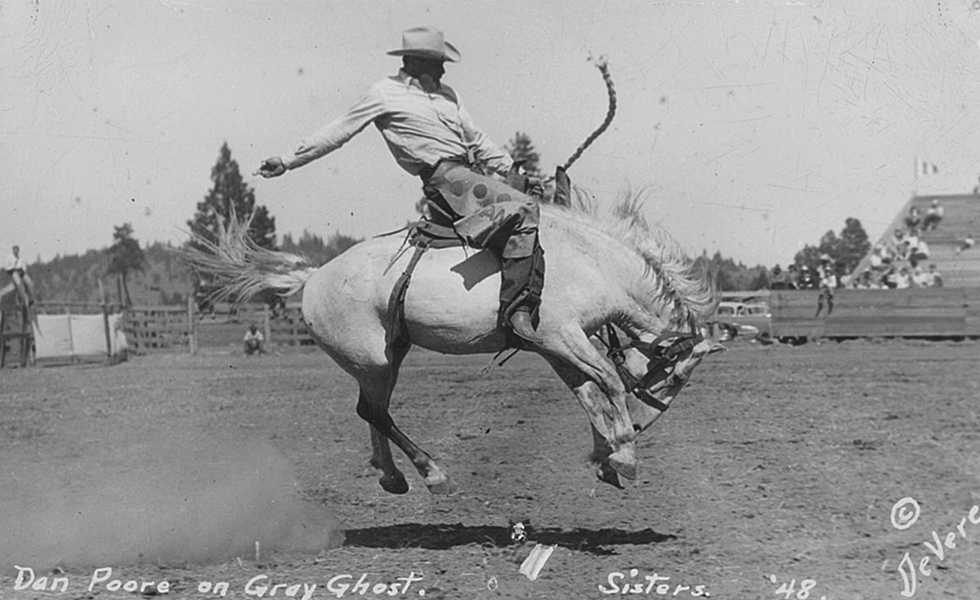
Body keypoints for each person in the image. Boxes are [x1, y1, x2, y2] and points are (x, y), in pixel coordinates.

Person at [257, 27, 554, 346]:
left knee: (537, 209)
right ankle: (516, 311)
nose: (443, 70)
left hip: (471, 176)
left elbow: (477, 140)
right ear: (414, 62)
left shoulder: (448, 95)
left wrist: (513, 170)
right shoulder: (384, 93)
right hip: (447, 182)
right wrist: (288, 160)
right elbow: (339, 130)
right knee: (525, 208)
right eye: (437, 63)